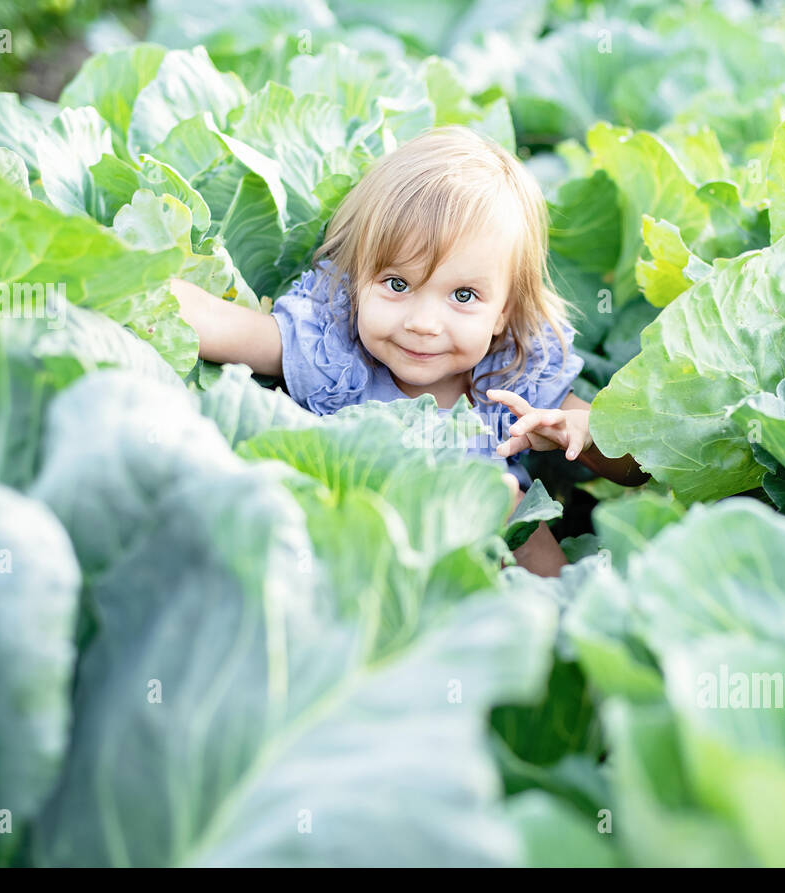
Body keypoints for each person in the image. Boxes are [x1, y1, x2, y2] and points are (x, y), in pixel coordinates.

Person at [171, 125, 647, 576]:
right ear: (357, 282)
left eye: (463, 296)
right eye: (397, 284)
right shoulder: (335, 355)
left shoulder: (509, 381)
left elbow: (634, 466)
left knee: (510, 509)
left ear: (504, 312)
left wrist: (579, 432)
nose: (422, 324)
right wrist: (126, 279)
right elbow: (222, 324)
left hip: (469, 577)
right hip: (348, 553)